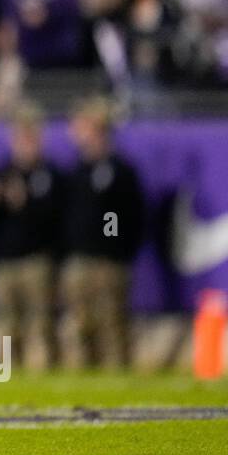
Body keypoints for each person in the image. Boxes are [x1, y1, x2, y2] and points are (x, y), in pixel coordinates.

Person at [60, 97, 145, 368]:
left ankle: (119, 375)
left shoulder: (120, 171)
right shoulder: (77, 170)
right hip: (79, 259)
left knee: (112, 324)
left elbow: (134, 216)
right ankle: (84, 379)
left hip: (110, 261)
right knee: (81, 325)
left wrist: (119, 251)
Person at [0, 104, 62, 369]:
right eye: (20, 137)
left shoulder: (49, 175)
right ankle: (10, 374)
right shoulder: (1, 173)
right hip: (5, 260)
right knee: (7, 326)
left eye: (29, 137)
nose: (24, 144)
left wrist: (25, 203)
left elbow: (56, 217)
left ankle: (51, 371)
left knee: (42, 323)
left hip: (36, 259)